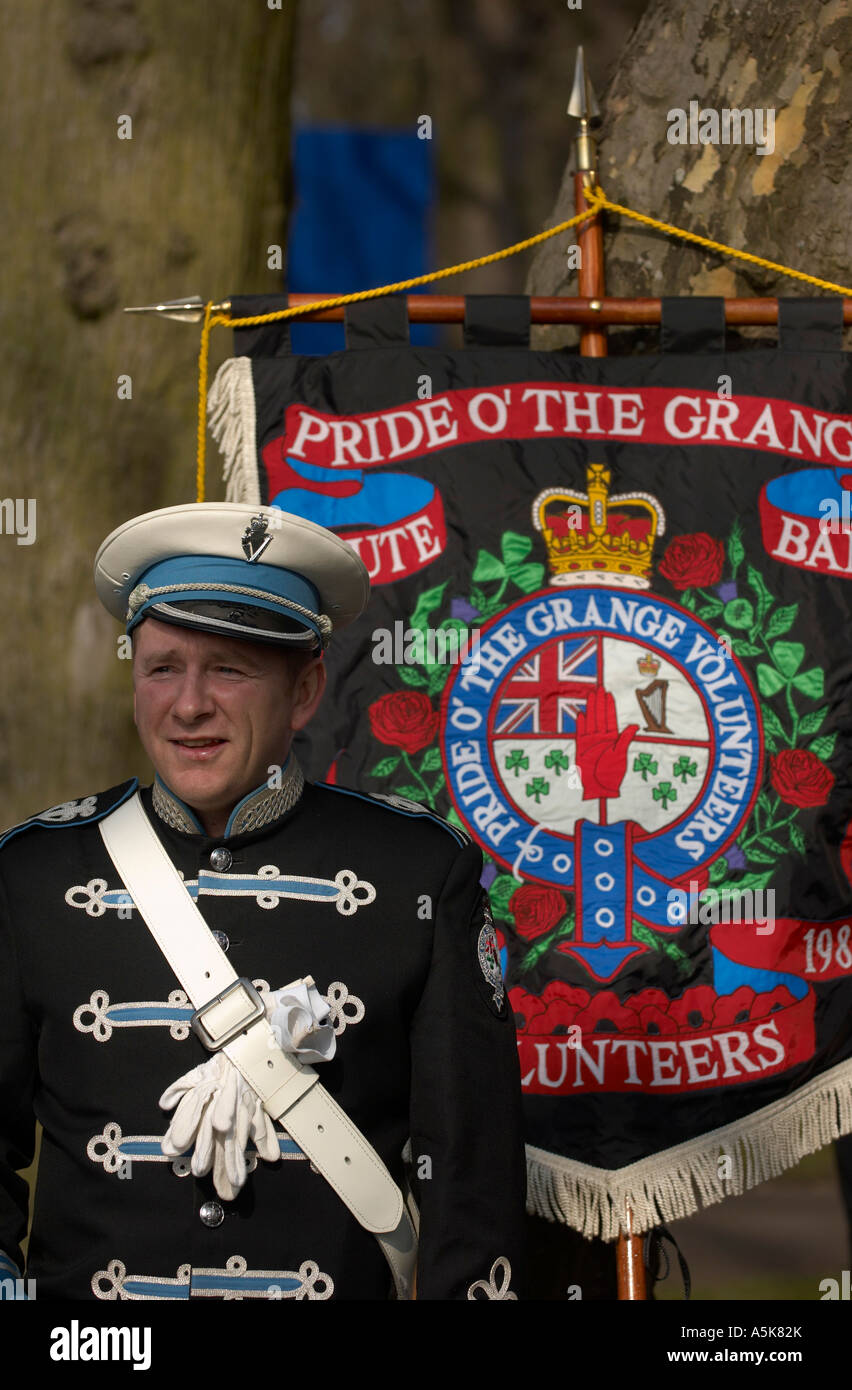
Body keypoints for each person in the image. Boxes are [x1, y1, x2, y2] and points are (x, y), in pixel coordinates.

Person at [0, 502, 527, 1302]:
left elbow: (472, 1184)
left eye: (229, 670)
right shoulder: (31, 872)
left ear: (306, 689)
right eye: (163, 667)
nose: (188, 706)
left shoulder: (419, 873)